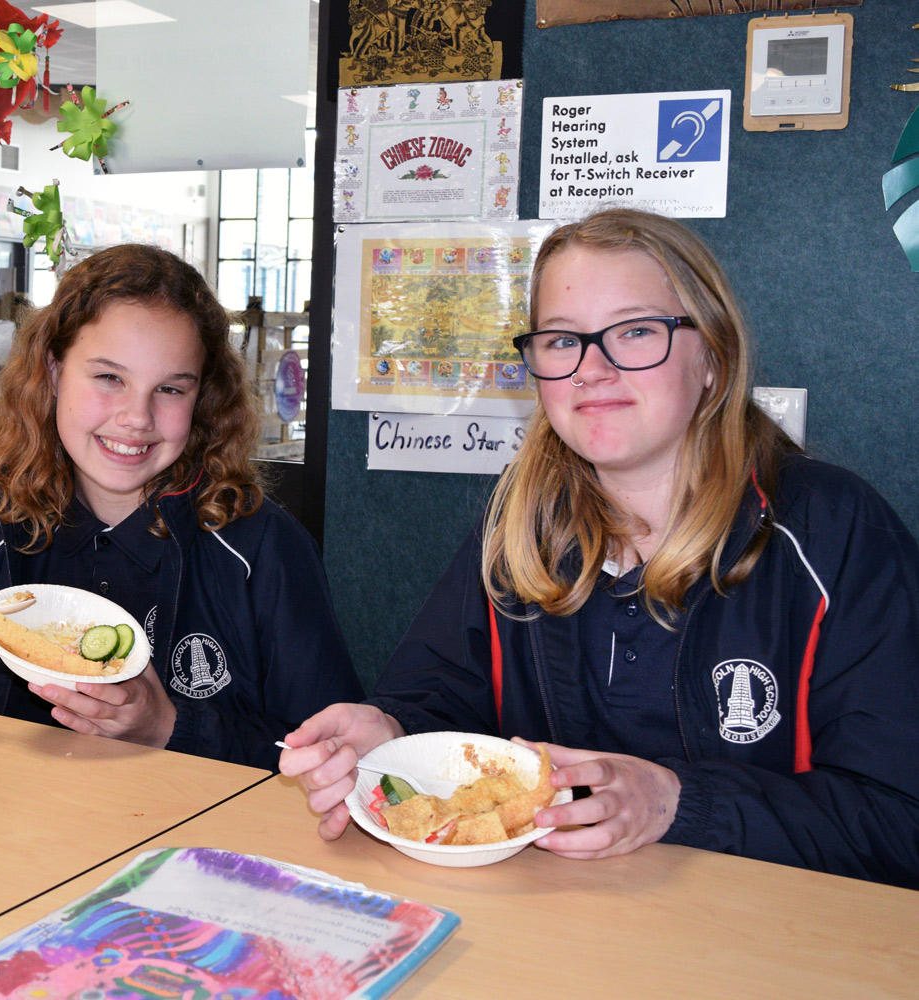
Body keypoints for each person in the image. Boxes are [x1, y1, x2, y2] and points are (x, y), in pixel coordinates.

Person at [280, 208, 919, 888]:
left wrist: (677, 801)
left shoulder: (836, 531)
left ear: (713, 356)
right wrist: (389, 741)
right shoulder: (517, 526)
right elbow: (438, 709)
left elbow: (899, 822)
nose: (592, 369)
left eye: (636, 331)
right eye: (562, 341)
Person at [0, 244, 362, 769]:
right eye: (109, 377)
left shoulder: (261, 552)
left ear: (203, 396)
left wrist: (169, 727)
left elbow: (339, 758)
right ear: (54, 373)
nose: (137, 418)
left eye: (170, 388)